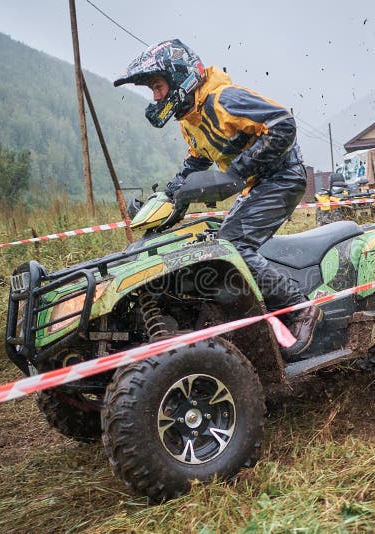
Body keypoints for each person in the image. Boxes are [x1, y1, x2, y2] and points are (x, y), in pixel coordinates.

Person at [114, 39, 321, 358]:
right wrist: (170, 198)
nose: (156, 96)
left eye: (157, 86)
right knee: (214, 242)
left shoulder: (224, 99)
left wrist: (239, 170)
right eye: (151, 90)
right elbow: (196, 160)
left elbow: (283, 123)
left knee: (234, 247)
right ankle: (253, 316)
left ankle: (300, 309)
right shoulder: (189, 119)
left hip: (283, 175)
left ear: (179, 76)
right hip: (256, 182)